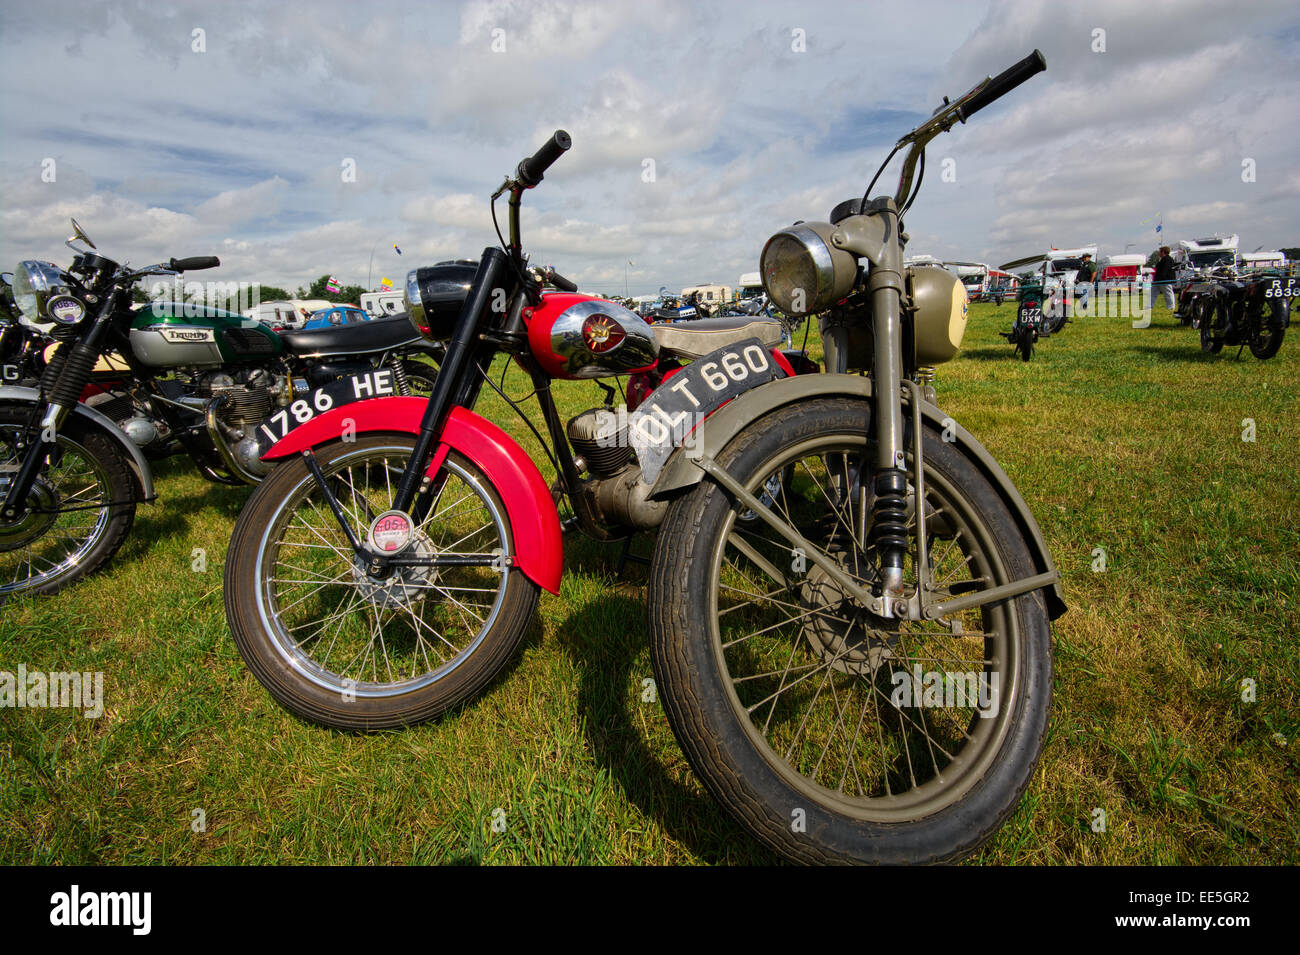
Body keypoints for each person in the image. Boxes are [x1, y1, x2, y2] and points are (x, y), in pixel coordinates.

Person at [1152, 246, 1176, 311]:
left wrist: (1161, 278)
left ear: (1163, 252)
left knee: (1168, 294)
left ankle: (1171, 307)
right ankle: (1150, 306)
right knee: (1152, 293)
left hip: (1165, 281)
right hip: (1158, 281)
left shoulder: (1168, 259)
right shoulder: (1163, 259)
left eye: (1159, 252)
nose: (1158, 253)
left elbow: (1164, 271)